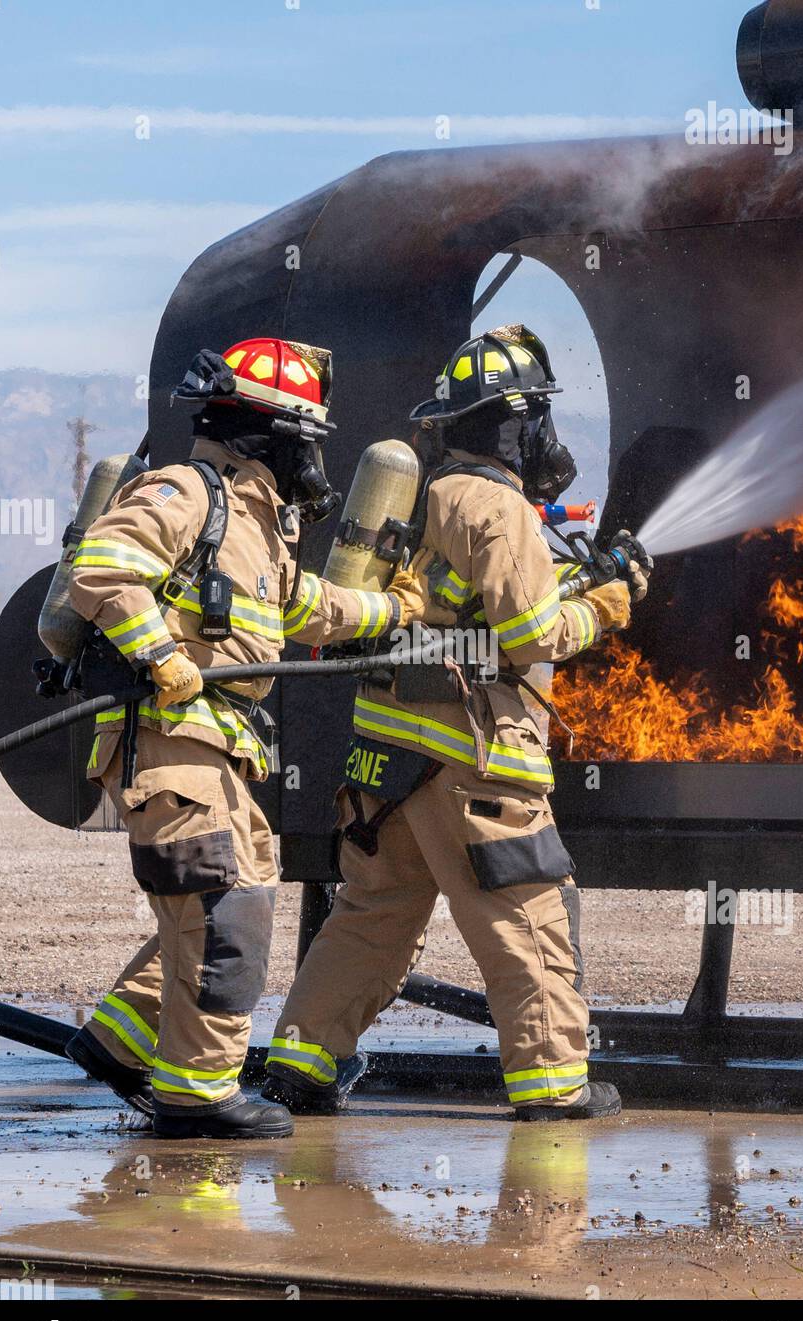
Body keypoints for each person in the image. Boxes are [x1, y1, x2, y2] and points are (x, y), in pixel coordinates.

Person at [264, 325, 650, 1121]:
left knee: (370, 919)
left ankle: (299, 1065)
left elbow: (463, 602)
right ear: (515, 422)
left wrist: (580, 576)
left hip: (386, 764)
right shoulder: (500, 508)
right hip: (476, 765)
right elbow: (533, 635)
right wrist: (605, 608)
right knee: (528, 918)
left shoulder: (427, 497)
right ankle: (553, 1088)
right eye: (537, 415)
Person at [64, 338, 433, 1139]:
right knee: (224, 912)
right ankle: (197, 1097)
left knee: (228, 898)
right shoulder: (188, 491)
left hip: (215, 747)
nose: (313, 455)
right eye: (304, 437)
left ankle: (122, 1043)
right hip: (167, 738)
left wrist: (399, 610)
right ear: (265, 431)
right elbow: (101, 565)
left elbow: (309, 610)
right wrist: (159, 655)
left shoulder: (255, 526)